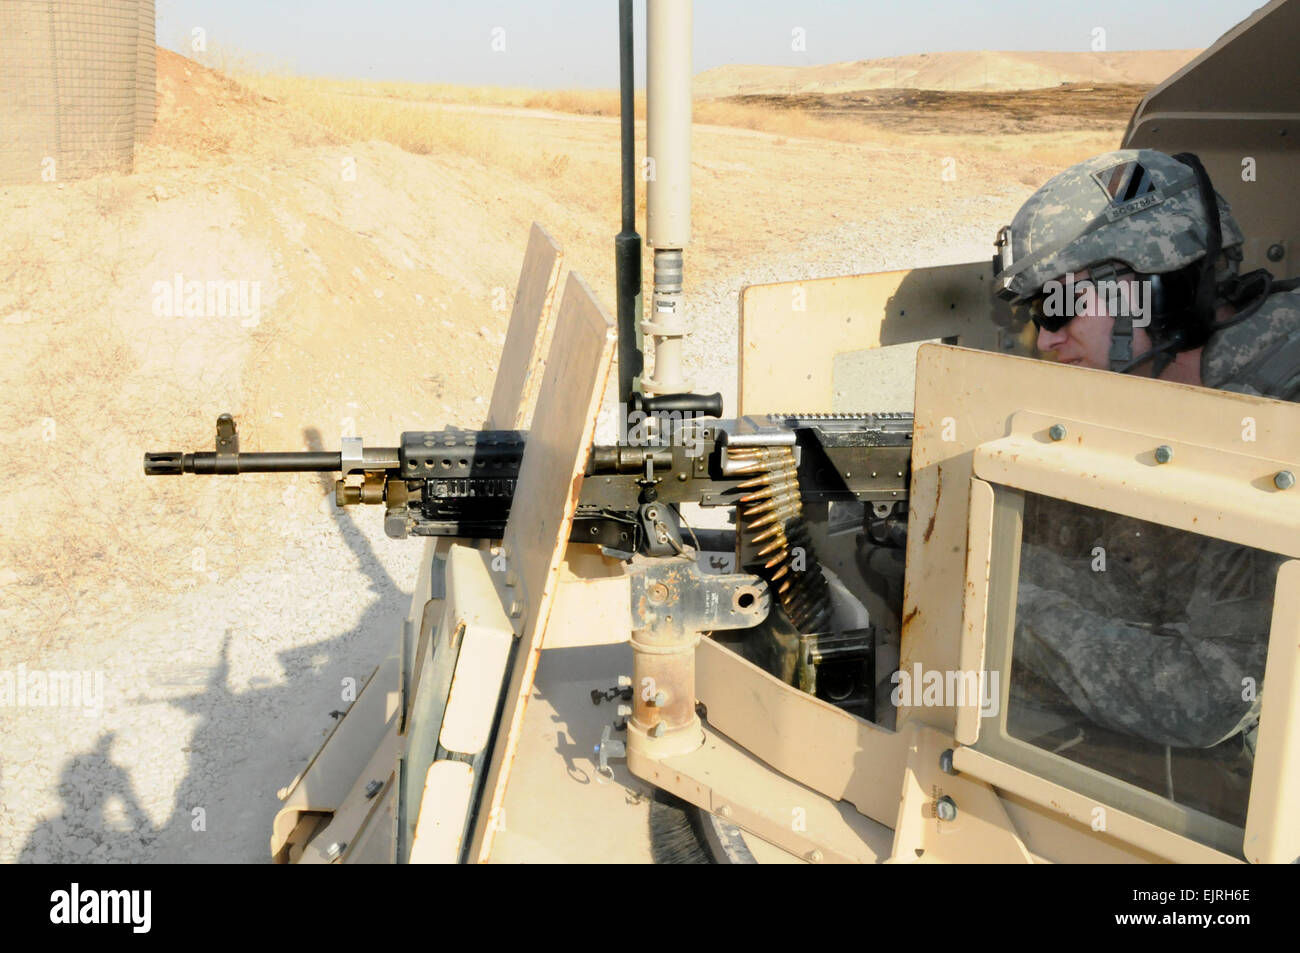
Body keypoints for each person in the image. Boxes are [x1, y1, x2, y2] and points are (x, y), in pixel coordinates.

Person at [988, 149, 1300, 759]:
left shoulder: (1273, 420)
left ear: (1151, 291)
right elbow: (1153, 600)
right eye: (1034, 316)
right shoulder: (1191, 394)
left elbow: (1205, 698)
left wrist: (996, 598)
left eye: (1059, 307)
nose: (1047, 337)